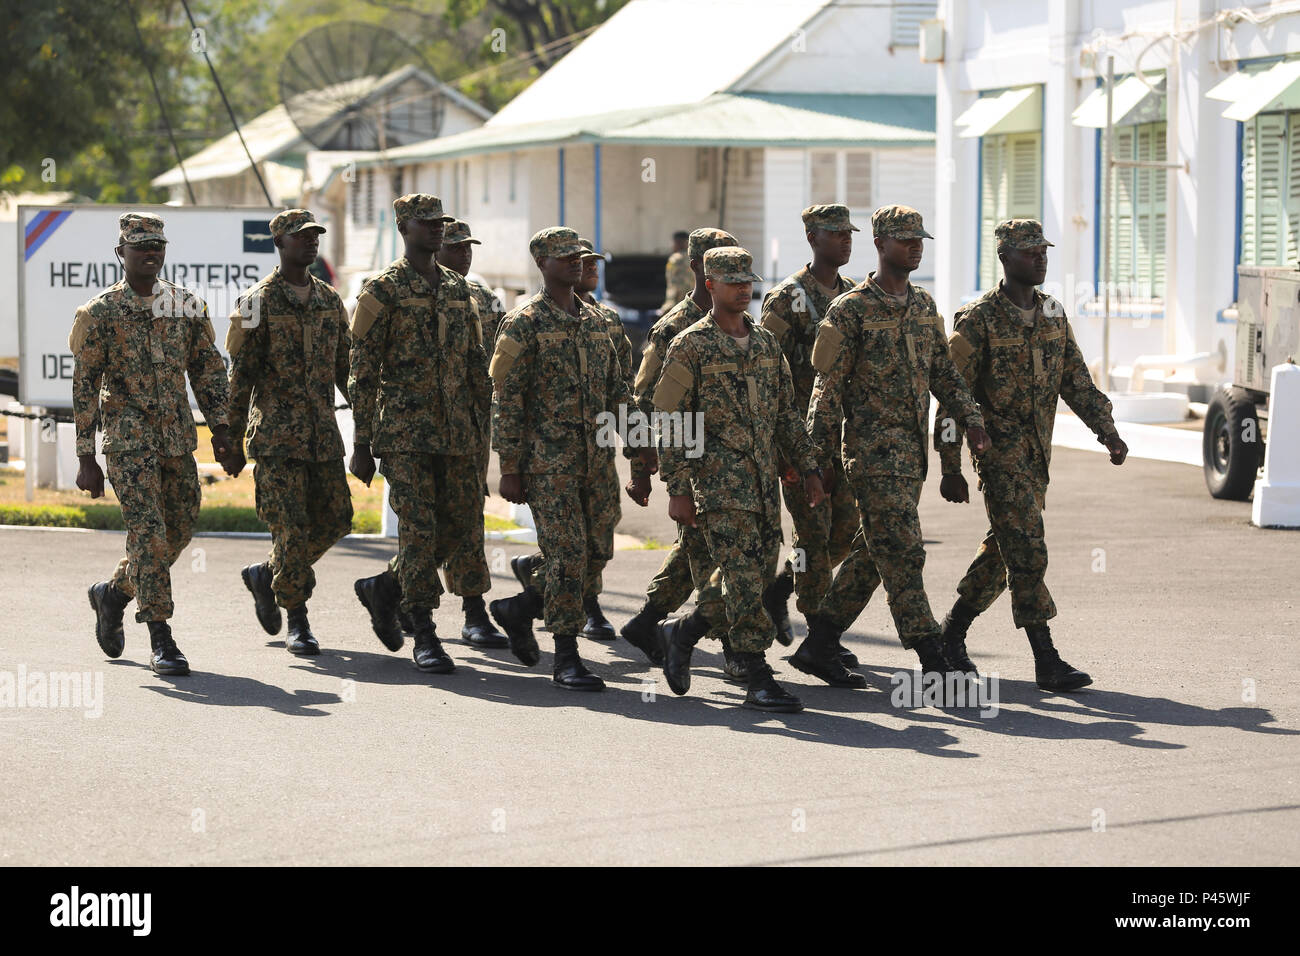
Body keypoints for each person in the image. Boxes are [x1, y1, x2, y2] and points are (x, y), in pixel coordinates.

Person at [934, 218, 1128, 691]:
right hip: (999, 457)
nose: (1040, 258)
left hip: (1039, 458)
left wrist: (1108, 431)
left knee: (1004, 549)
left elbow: (1076, 381)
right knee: (1028, 550)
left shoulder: (1054, 315)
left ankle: (951, 632)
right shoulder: (976, 319)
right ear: (1005, 258)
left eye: (1043, 251)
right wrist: (950, 465)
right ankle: (1047, 658)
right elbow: (953, 396)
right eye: (1028, 252)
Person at [807, 205, 991, 679]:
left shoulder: (924, 305)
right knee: (906, 552)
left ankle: (820, 644)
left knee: (874, 553)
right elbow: (825, 391)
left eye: (919, 240)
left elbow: (944, 373)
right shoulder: (850, 310)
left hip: (912, 459)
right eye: (905, 239)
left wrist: (970, 417)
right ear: (880, 245)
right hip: (871, 457)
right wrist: (816, 460)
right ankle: (932, 655)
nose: (914, 246)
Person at [654, 246, 826, 712]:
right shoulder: (690, 344)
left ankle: (682, 632)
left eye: (747, 279)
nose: (743, 288)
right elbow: (668, 420)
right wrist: (677, 488)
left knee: (752, 578)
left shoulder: (767, 344)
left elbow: (788, 415)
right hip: (717, 485)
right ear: (710, 285)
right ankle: (757, 674)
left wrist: (807, 467)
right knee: (744, 580)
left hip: (763, 485)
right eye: (732, 281)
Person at [73, 212, 234, 676]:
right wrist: (86, 456)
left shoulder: (187, 306)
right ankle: (161, 635)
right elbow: (85, 385)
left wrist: (221, 430)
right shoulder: (99, 313)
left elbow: (207, 370)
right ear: (120, 253)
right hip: (127, 443)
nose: (151, 252)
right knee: (148, 534)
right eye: (141, 245)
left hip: (177, 440)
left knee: (179, 529)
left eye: (158, 245)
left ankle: (114, 592)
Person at [348, 193, 498, 674]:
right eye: (426, 223)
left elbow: (477, 361)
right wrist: (362, 442)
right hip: (406, 432)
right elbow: (363, 370)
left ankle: (384, 589)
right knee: (418, 533)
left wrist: (482, 427)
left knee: (457, 530)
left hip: (458, 431)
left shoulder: (459, 289)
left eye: (440, 223)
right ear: (403, 228)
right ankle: (424, 629)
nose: (436, 229)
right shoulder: (382, 290)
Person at [488, 227, 632, 692]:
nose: (576, 262)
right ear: (542, 263)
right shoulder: (523, 322)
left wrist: (639, 443)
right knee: (569, 556)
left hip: (598, 460)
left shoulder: (598, 322)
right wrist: (510, 466)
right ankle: (565, 657)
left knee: (597, 551)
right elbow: (506, 399)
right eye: (565, 256)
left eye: (581, 256)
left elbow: (618, 389)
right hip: (549, 463)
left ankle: (520, 607)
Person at [225, 208, 354, 656]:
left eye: (315, 235)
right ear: (279, 243)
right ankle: (297, 620)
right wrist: (229, 438)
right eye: (301, 236)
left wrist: (372, 426)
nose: (311, 242)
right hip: (277, 439)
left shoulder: (328, 300)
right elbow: (240, 378)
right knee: (292, 530)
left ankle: (268, 572)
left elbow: (348, 371)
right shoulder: (257, 302)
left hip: (323, 437)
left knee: (339, 519)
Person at [618, 227, 739, 670]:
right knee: (719, 555)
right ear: (696, 269)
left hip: (735, 465)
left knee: (698, 550)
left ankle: (648, 621)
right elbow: (644, 399)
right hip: (690, 464)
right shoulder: (673, 327)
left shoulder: (742, 323)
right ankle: (737, 649)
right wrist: (641, 466)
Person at [760, 203, 862, 683]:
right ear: (811, 237)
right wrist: (784, 450)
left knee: (846, 534)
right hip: (802, 441)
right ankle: (821, 639)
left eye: (849, 233)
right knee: (814, 539)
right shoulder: (787, 299)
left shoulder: (857, 296)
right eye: (834, 233)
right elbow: (763, 370)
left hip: (849, 440)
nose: (845, 240)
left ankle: (781, 588)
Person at [437, 218, 506, 347]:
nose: (465, 254)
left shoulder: (488, 299)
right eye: (456, 248)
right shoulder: (425, 297)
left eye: (468, 247)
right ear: (436, 251)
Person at [660, 230, 691, 314]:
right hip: (692, 304)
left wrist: (667, 307)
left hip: (678, 306)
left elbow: (674, 285)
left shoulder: (675, 259)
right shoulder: (693, 258)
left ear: (677, 242)